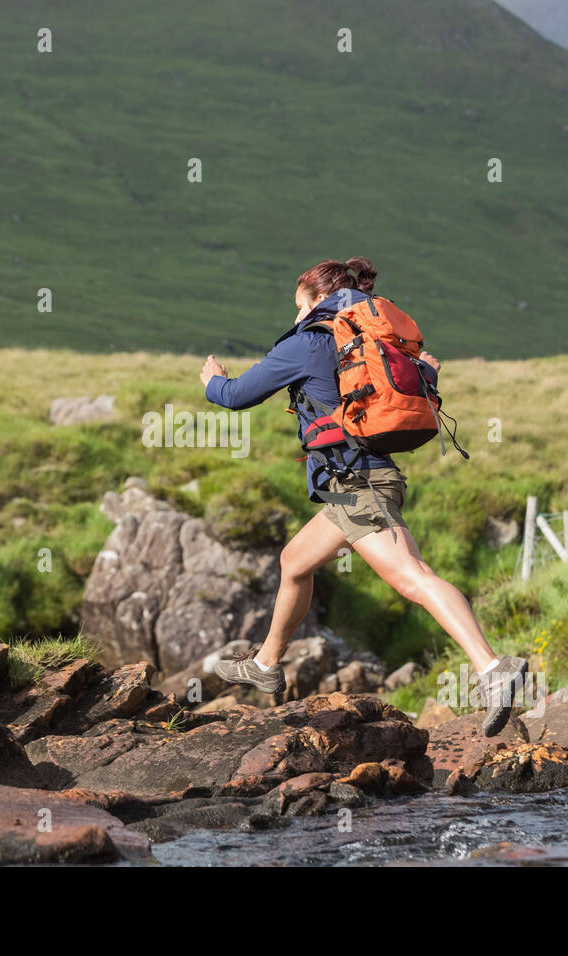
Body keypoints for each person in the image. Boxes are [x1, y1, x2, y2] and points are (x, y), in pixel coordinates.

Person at [200, 256, 527, 736]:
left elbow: (236, 396)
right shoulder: (369, 341)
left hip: (358, 486)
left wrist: (211, 380)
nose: (294, 315)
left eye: (298, 304)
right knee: (294, 562)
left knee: (412, 579)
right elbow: (407, 390)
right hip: (362, 481)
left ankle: (491, 669)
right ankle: (267, 664)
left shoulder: (309, 342)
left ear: (316, 301)